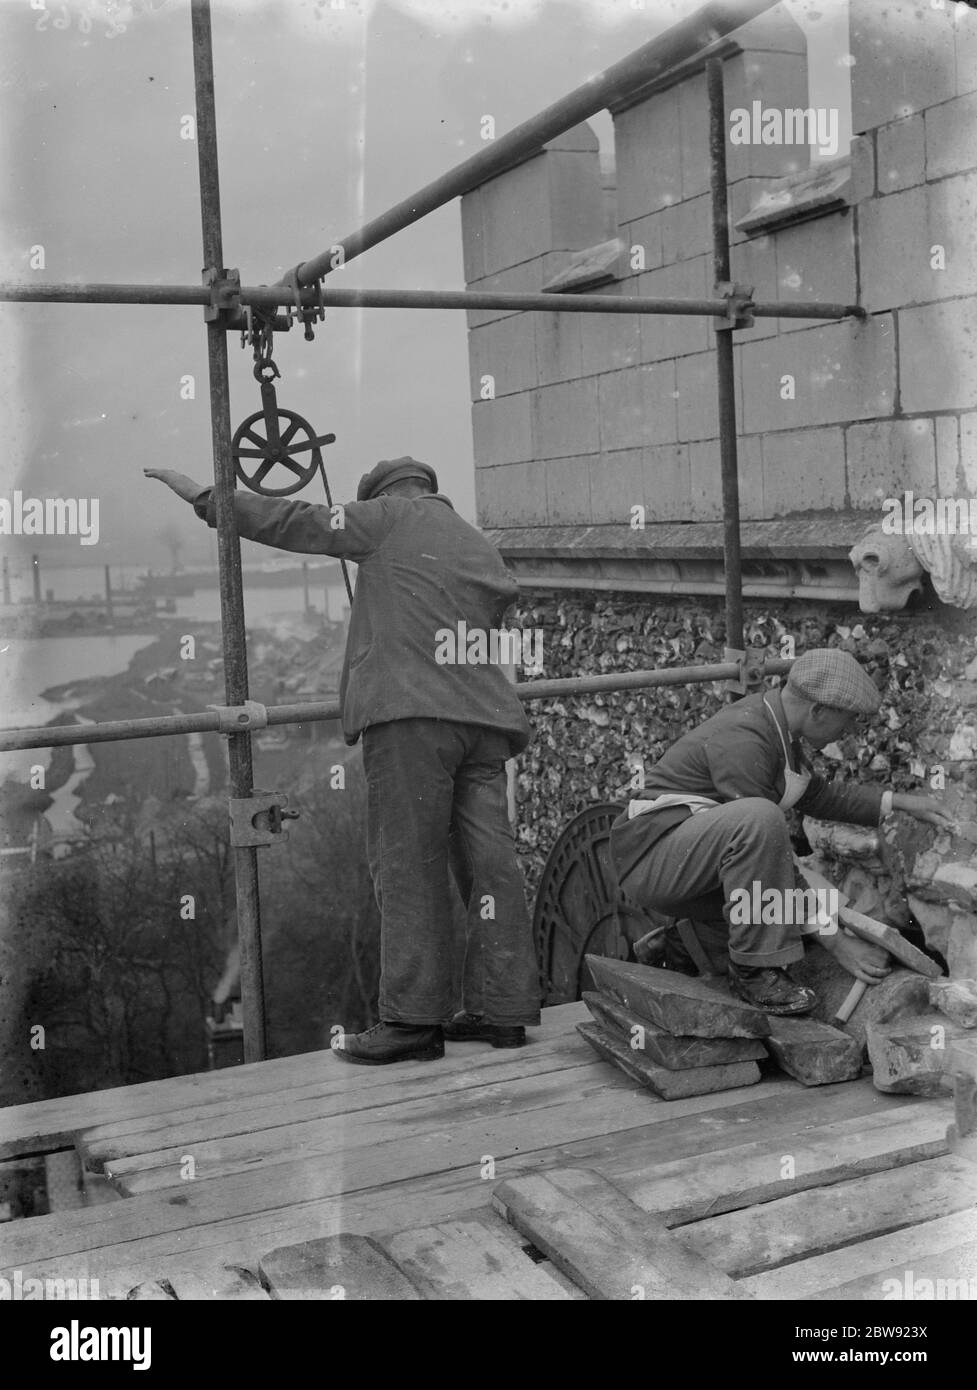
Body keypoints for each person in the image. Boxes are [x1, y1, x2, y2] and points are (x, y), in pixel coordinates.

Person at [145, 457, 541, 1064]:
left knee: (408, 865)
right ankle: (503, 1010)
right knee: (490, 865)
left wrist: (206, 498)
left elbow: (295, 521)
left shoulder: (384, 519)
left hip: (413, 722)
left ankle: (412, 1022)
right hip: (487, 724)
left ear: (380, 494)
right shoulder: (475, 542)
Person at [609, 647, 955, 1015]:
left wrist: (900, 802)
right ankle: (754, 974)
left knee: (806, 900)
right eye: (848, 720)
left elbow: (818, 796)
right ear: (818, 711)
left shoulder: (777, 728)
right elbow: (766, 848)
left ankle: (677, 947)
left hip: (688, 861)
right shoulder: (745, 736)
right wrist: (838, 944)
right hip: (653, 857)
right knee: (763, 823)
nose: (848, 732)